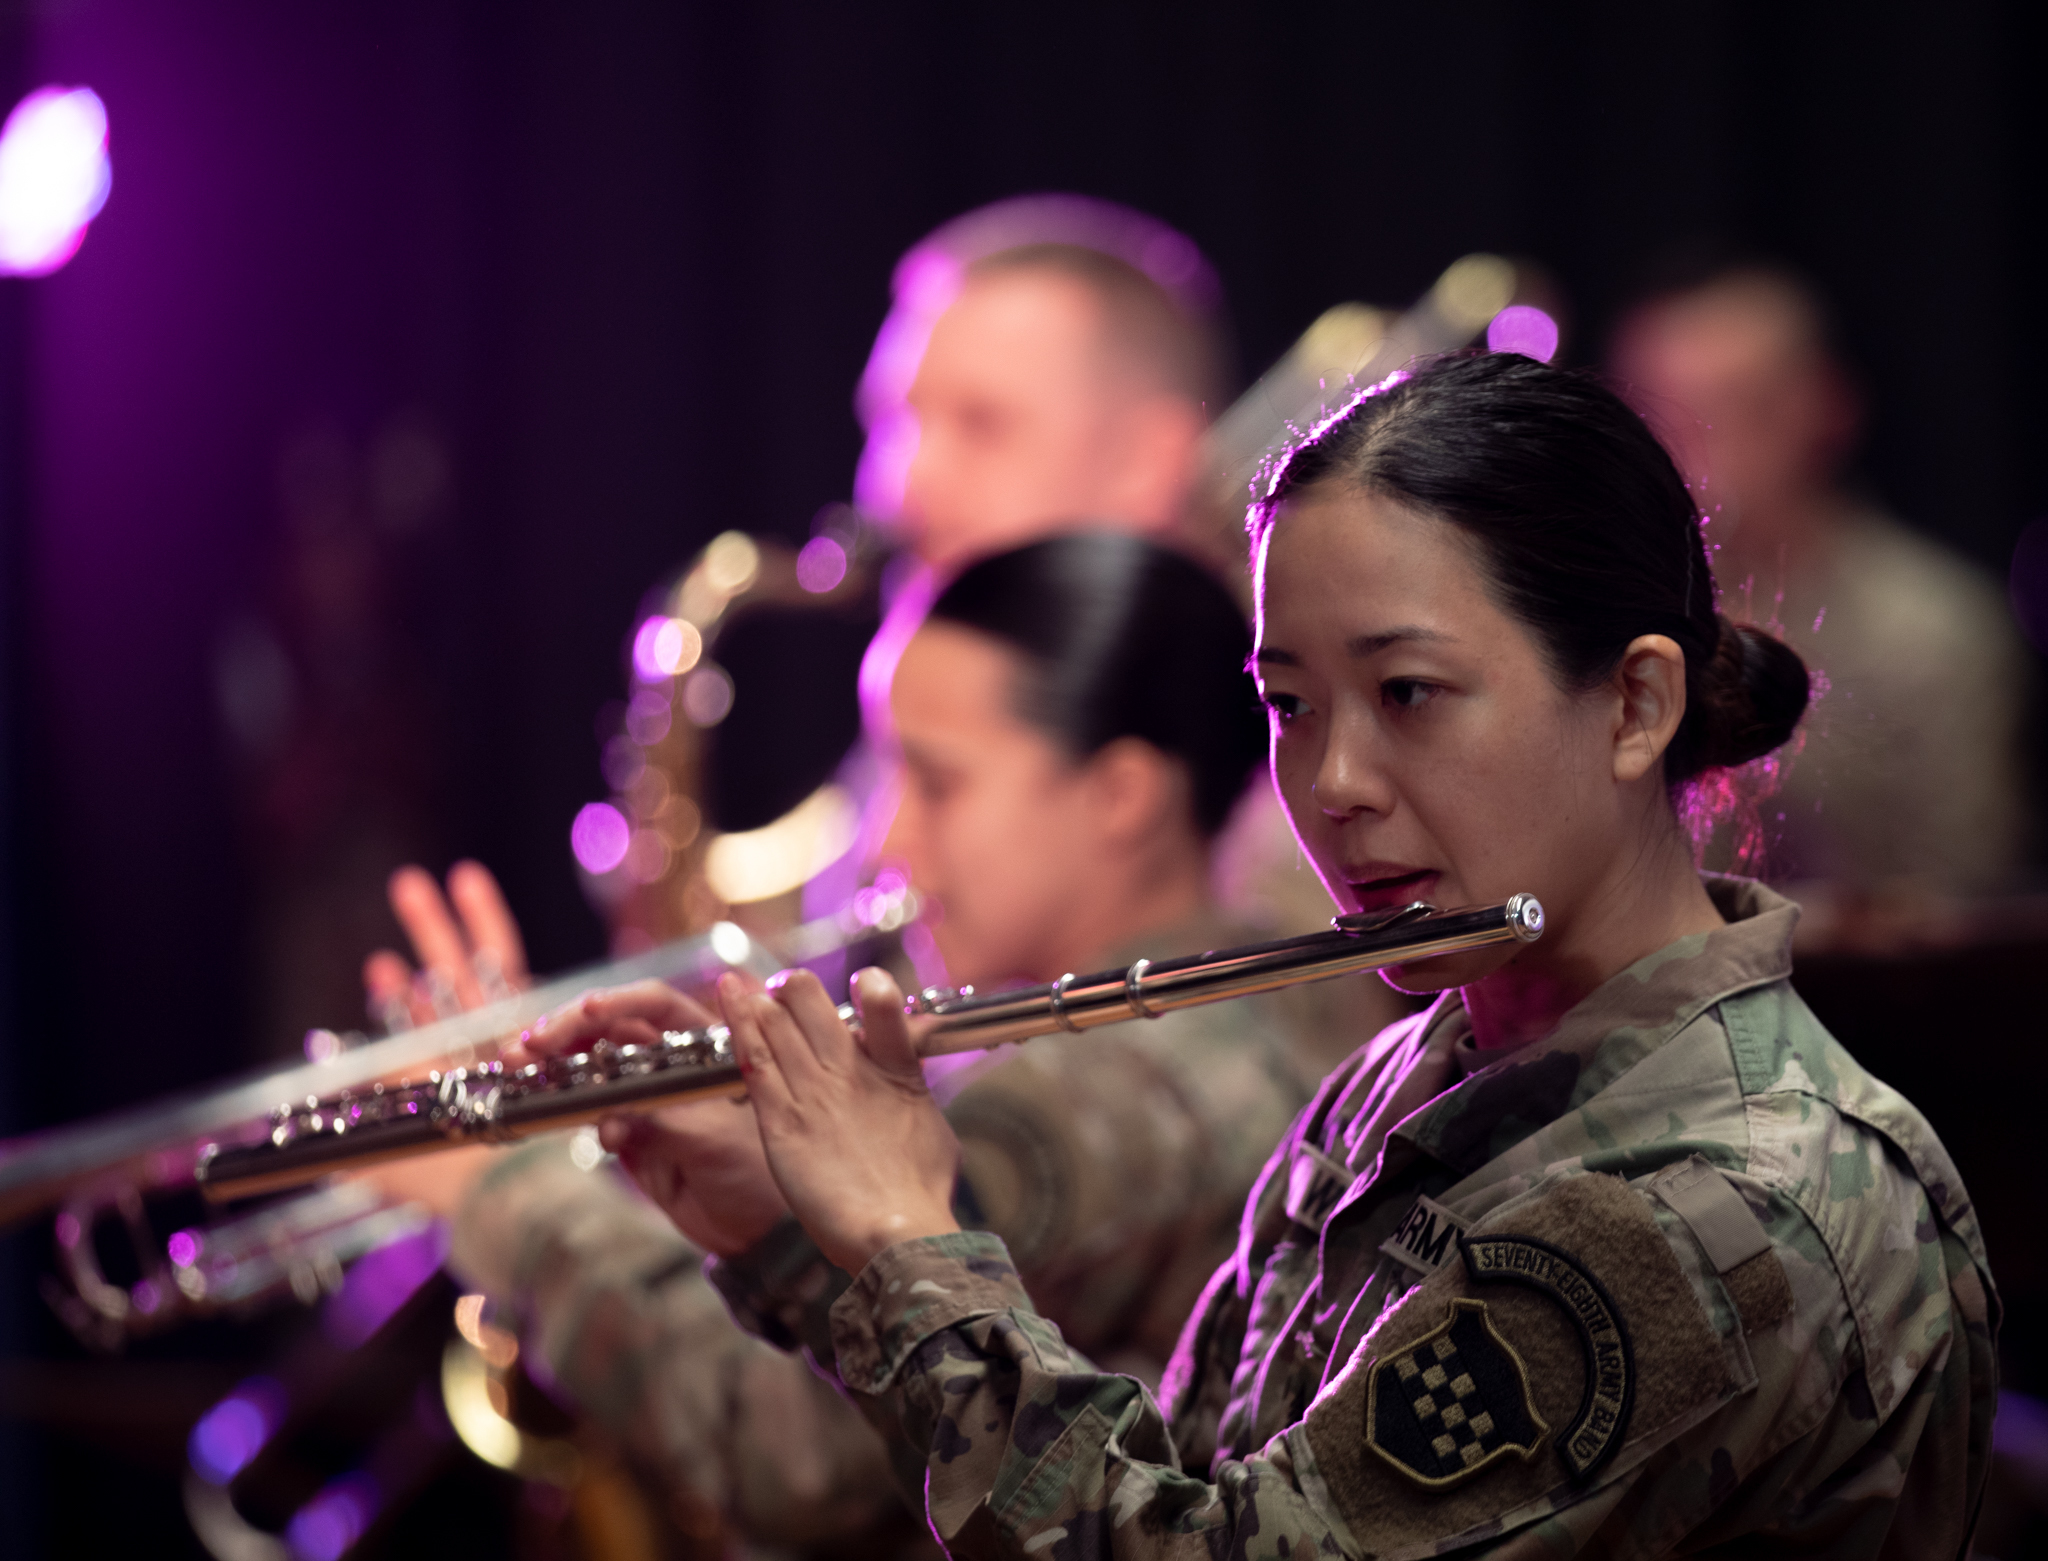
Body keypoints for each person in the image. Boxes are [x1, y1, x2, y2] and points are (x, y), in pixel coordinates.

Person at [569, 351, 1998, 1555]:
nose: (1333, 784)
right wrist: (799, 1228)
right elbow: (1173, 1481)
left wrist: (904, 1243)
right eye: (1293, 704)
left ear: (1634, 705)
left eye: (1409, 693)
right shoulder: (1409, 1073)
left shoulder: (1717, 1198)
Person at [392, 534, 1330, 1549]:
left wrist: (500, 1189)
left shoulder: (1095, 1096)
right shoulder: (1242, 1018)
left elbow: (785, 1448)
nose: (885, 842)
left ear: (1120, 794)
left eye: (935, 781)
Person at [1608, 265, 2029, 889]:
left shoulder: (1937, 630)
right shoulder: (1600, 611)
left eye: (1748, 409)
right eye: (1671, 413)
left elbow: (1960, 889)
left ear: (1831, 407)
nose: (1704, 447)